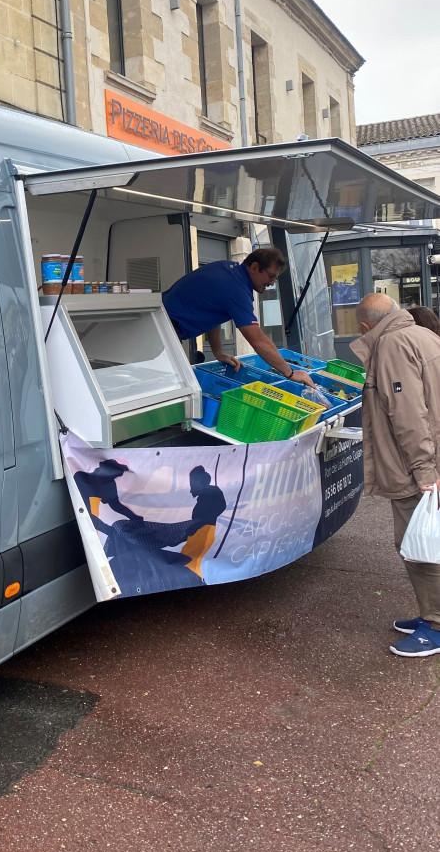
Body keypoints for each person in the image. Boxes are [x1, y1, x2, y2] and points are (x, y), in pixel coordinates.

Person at [350, 292, 440, 657]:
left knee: (420, 545)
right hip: (427, 458)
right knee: (425, 540)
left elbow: (407, 416)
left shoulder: (390, 346)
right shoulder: (422, 334)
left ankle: (435, 625)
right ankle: (430, 614)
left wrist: (424, 470)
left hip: (414, 466)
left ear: (364, 326)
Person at [162, 246, 314, 387]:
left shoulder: (229, 270)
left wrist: (218, 352)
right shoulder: (237, 288)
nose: (271, 283)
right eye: (270, 276)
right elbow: (257, 340)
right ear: (254, 267)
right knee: (167, 386)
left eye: (275, 278)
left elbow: (214, 315)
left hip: (161, 325)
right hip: (161, 329)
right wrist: (291, 373)